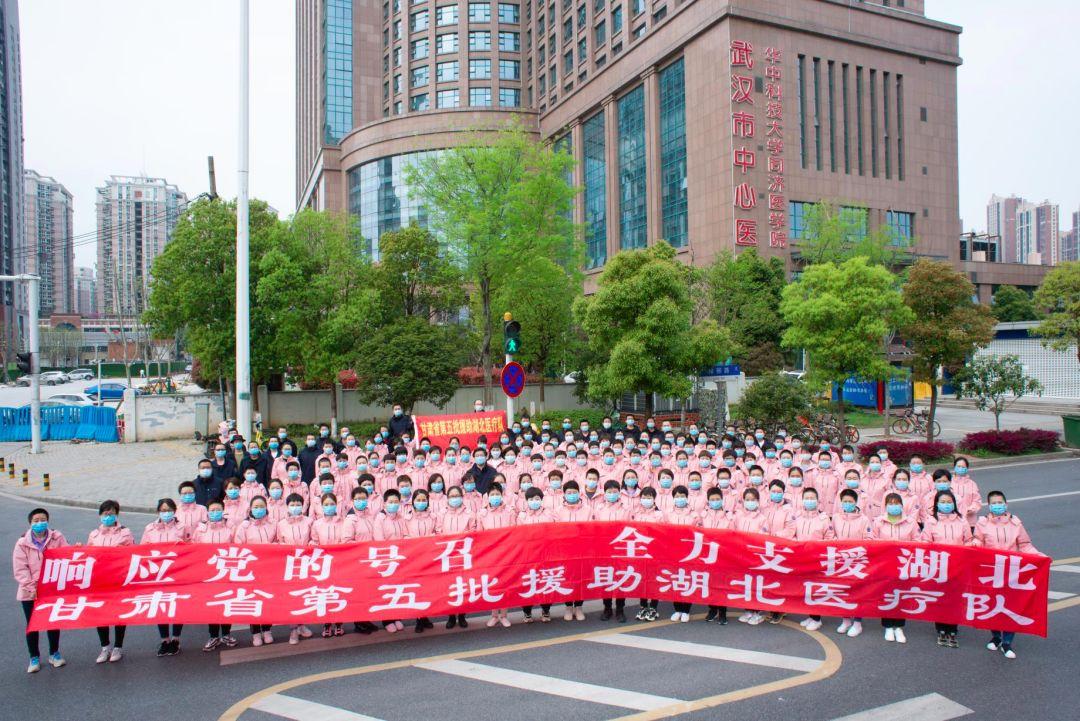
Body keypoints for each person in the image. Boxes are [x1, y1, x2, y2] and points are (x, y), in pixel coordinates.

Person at [976, 490, 1040, 659]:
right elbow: (977, 544)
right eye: (994, 503)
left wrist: (1041, 557)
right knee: (993, 606)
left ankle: (1007, 642)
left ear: (1006, 504)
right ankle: (996, 637)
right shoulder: (982, 524)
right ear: (988, 506)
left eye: (1000, 502)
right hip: (991, 571)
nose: (997, 505)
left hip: (1011, 571)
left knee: (1010, 607)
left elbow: (1025, 545)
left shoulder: (1016, 524)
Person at [14, 508, 67, 673]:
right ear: (30, 523)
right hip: (29, 592)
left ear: (48, 521)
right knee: (33, 624)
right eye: (36, 520)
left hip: (51, 589)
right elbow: (20, 568)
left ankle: (54, 653)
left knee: (52, 622)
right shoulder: (22, 543)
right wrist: (31, 588)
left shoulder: (56, 537)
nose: (40, 522)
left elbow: (66, 555)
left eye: (42, 519)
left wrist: (78, 549)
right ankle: (34, 657)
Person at [867, 492, 924, 643]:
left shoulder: (910, 522)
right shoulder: (879, 521)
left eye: (896, 503)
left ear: (901, 505)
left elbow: (918, 542)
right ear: (886, 506)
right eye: (890, 503)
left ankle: (899, 626)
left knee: (900, 595)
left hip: (904, 566)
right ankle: (887, 626)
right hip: (884, 565)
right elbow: (871, 541)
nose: (894, 506)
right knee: (886, 595)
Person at [923, 489, 975, 648]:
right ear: (937, 504)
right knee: (940, 598)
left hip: (958, 567)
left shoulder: (962, 521)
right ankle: (940, 629)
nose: (946, 505)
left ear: (954, 503)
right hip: (938, 567)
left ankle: (953, 630)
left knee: (955, 599)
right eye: (943, 502)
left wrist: (968, 547)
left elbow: (968, 540)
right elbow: (925, 542)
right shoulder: (931, 521)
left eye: (949, 502)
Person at [141, 498, 190, 656]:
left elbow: (191, 546)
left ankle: (176, 638)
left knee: (177, 604)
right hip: (158, 573)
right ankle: (164, 640)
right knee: (160, 604)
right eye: (163, 510)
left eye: (169, 510)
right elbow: (143, 549)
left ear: (174, 511)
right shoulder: (150, 528)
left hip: (177, 571)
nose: (166, 513)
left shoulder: (181, 527)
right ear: (158, 512)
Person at [88, 500, 134, 663]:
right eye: (105, 514)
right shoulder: (94, 534)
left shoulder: (125, 533)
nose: (108, 516)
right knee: (101, 614)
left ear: (117, 514)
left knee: (118, 614)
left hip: (118, 579)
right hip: (99, 580)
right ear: (100, 515)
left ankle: (117, 647)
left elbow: (132, 555)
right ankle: (104, 647)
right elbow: (88, 556)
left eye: (111, 513)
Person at [192, 500, 237, 650]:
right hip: (208, 573)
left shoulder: (230, 529)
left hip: (227, 571)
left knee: (226, 602)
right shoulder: (201, 530)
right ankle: (213, 636)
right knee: (212, 604)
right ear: (208, 512)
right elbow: (194, 550)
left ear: (223, 511)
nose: (215, 512)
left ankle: (226, 633)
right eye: (212, 510)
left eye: (218, 509)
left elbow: (237, 547)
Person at [793, 488, 835, 631]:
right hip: (801, 558)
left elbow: (830, 539)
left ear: (818, 501)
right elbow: (793, 534)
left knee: (815, 589)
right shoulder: (797, 516)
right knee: (806, 589)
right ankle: (810, 615)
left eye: (812, 498)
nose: (809, 501)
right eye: (807, 498)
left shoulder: (823, 519)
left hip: (817, 560)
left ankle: (817, 618)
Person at [831, 488, 870, 638]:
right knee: (842, 591)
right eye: (845, 501)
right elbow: (831, 535)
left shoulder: (864, 519)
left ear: (856, 502)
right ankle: (846, 619)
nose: (847, 504)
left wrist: (855, 549)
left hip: (857, 560)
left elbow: (869, 539)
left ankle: (857, 622)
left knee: (858, 592)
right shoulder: (835, 517)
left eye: (850, 502)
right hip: (840, 559)